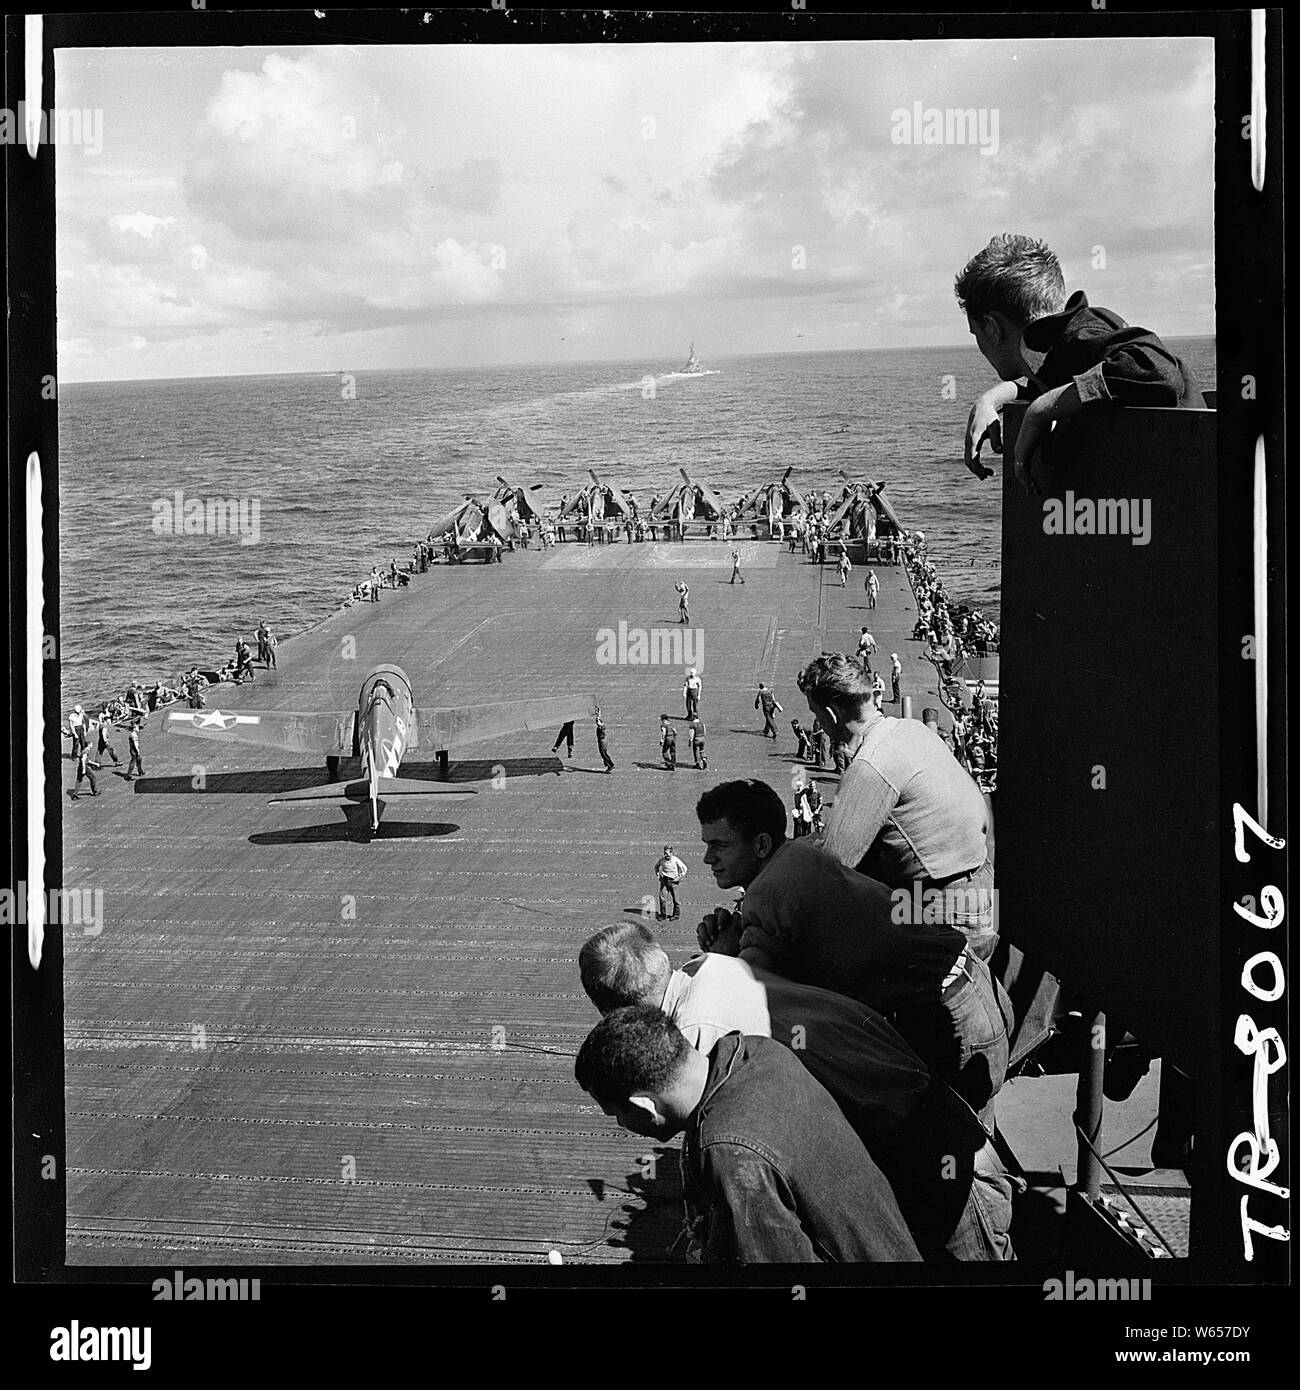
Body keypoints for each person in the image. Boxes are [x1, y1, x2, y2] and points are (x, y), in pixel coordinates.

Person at [578, 924, 1014, 1261]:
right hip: (933, 1120)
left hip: (928, 1158)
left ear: (616, 1015)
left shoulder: (699, 1040)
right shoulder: (709, 968)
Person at [693, 778, 1008, 1124]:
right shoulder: (803, 851)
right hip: (971, 993)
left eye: (720, 845)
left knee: (958, 1144)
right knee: (967, 1138)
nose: (708, 858)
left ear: (761, 844)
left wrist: (723, 956)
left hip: (951, 1020)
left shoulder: (766, 893)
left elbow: (752, 992)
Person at [575, 1005, 923, 1263]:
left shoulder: (728, 1152)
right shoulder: (757, 1051)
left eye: (617, 1115)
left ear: (644, 1106)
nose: (621, 1125)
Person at [955, 232, 1200, 493]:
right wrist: (990, 400)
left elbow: (1159, 370)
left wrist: (1040, 411)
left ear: (993, 328)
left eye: (976, 333)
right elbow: (1063, 387)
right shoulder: (1056, 352)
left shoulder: (1083, 336)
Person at [797, 653, 997, 963]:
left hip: (945, 912)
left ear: (831, 713)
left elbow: (833, 867)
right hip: (981, 893)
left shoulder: (871, 764)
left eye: (816, 714)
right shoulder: (911, 729)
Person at [655, 845, 687, 920]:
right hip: (664, 881)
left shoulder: (675, 860)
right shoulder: (662, 860)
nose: (666, 855)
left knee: (676, 900)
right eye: (665, 853)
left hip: (673, 882)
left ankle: (676, 915)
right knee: (662, 899)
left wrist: (679, 877)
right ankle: (663, 915)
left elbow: (684, 868)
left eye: (667, 853)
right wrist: (658, 876)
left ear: (671, 853)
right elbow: (656, 867)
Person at [124, 716, 145, 780]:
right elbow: (135, 744)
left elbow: (138, 725)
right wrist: (138, 752)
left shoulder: (133, 732)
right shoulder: (134, 734)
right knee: (135, 761)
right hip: (134, 749)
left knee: (139, 760)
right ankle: (129, 774)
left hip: (132, 749)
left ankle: (140, 771)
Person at [595, 707, 614, 772]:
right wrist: (598, 713)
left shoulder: (600, 726)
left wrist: (598, 715)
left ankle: (610, 764)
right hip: (603, 740)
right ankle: (608, 765)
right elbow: (599, 719)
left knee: (603, 753)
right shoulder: (602, 726)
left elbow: (598, 721)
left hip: (602, 740)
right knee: (604, 753)